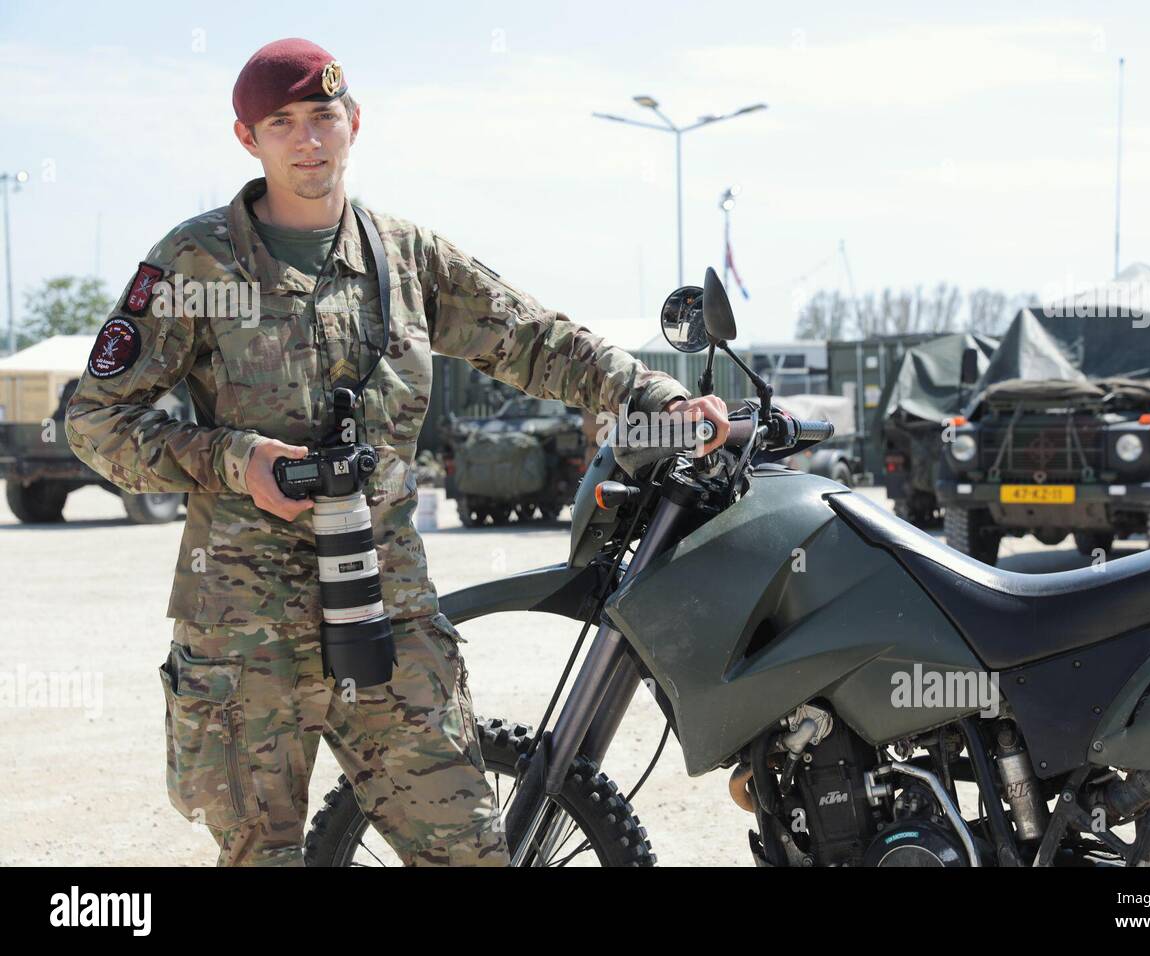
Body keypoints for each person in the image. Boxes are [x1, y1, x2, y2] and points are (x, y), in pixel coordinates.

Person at [65, 37, 728, 867]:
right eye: (282, 124)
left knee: (469, 852)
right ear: (249, 139)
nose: (308, 140)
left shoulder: (406, 261)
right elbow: (96, 420)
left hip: (387, 611)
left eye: (322, 117)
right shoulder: (195, 263)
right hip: (244, 631)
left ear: (354, 122)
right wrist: (235, 460)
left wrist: (656, 397)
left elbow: (534, 339)